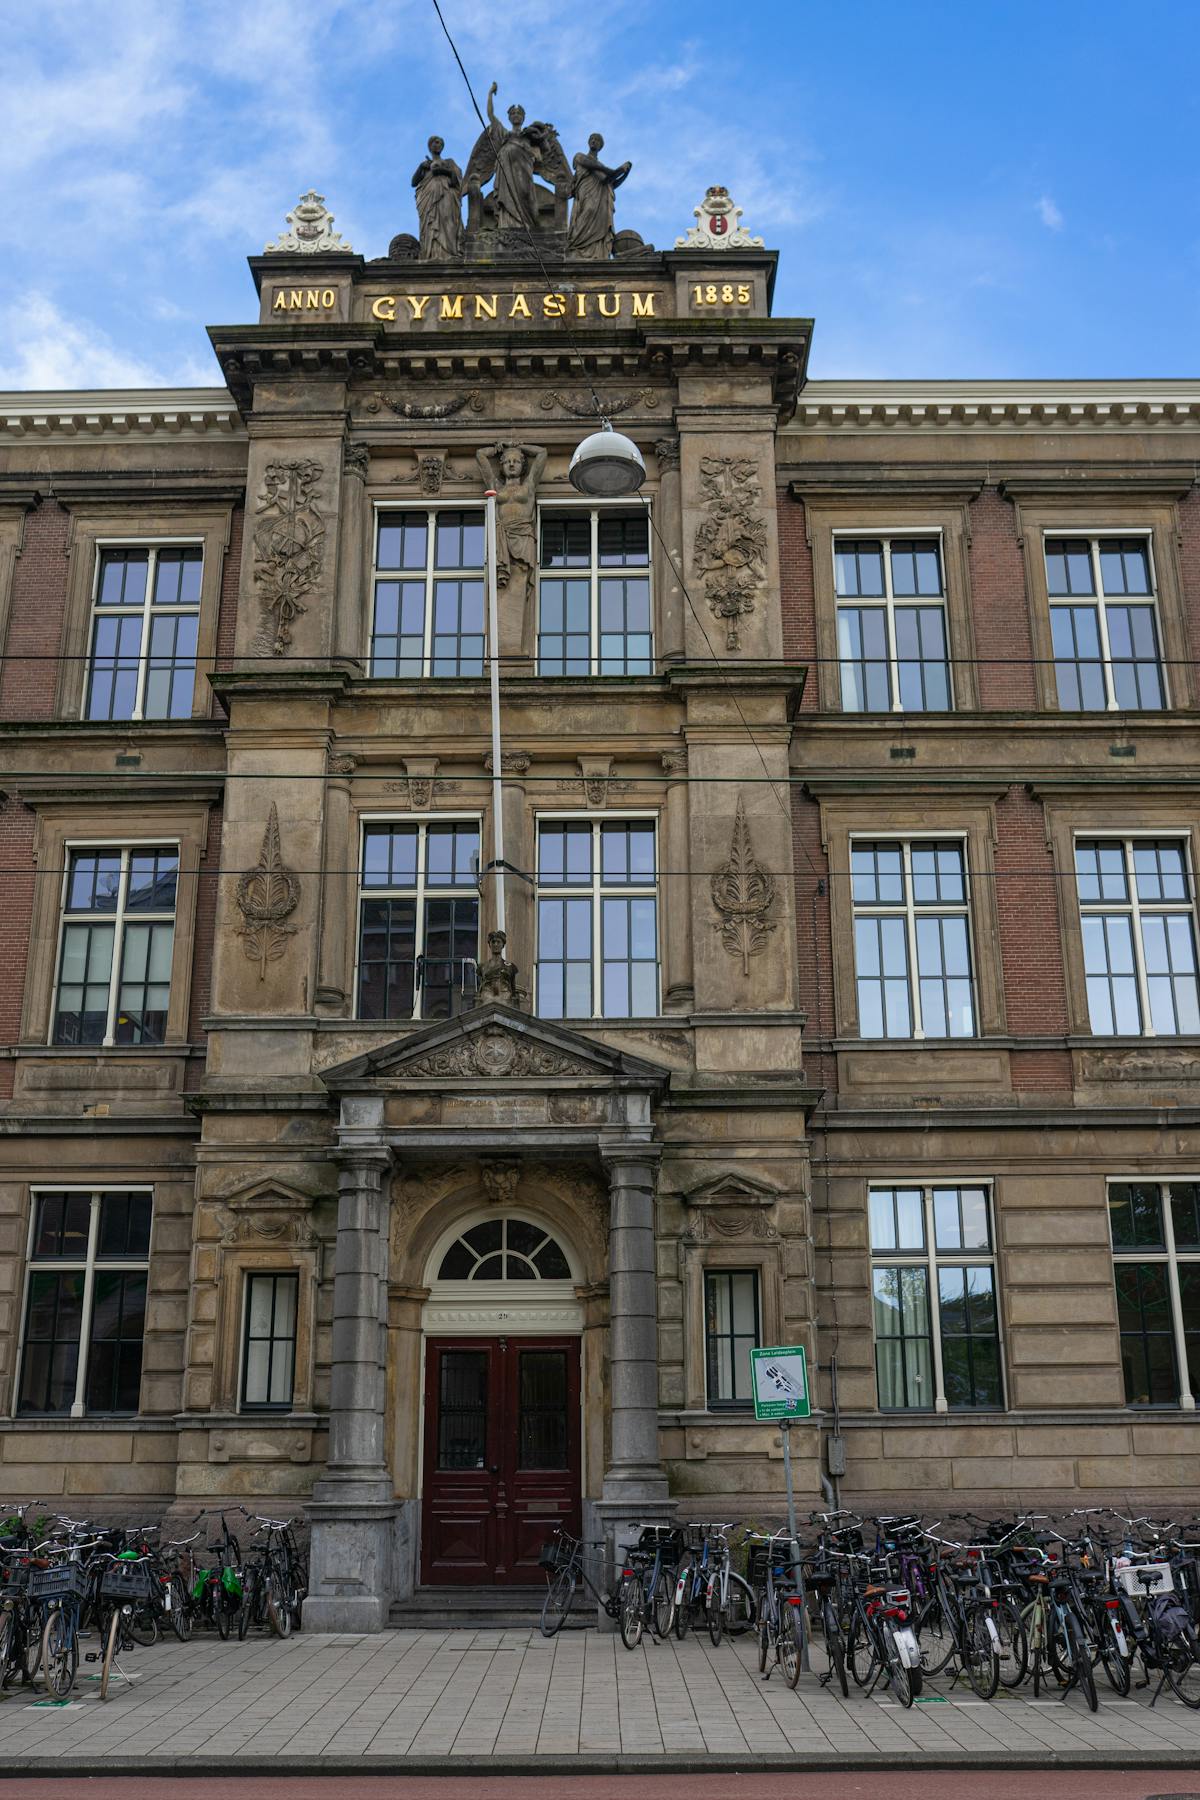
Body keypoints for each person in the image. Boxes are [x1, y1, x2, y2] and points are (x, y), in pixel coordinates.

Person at [567, 134, 631, 259]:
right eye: (592, 139)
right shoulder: (580, 157)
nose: (594, 141)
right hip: (586, 193)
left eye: (597, 140)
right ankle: (576, 246)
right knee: (587, 212)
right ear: (588, 142)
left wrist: (625, 174)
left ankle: (596, 252)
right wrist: (619, 169)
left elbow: (609, 181)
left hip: (601, 198)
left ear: (600, 146)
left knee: (599, 222)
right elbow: (601, 168)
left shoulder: (600, 166)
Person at [411, 136, 463, 260]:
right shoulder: (425, 165)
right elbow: (413, 182)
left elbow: (458, 180)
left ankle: (450, 252)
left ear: (442, 146)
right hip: (428, 198)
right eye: (434, 143)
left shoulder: (449, 162)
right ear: (430, 146)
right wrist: (421, 167)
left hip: (446, 195)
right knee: (430, 225)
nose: (437, 145)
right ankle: (431, 254)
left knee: (447, 220)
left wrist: (443, 171)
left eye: (439, 143)